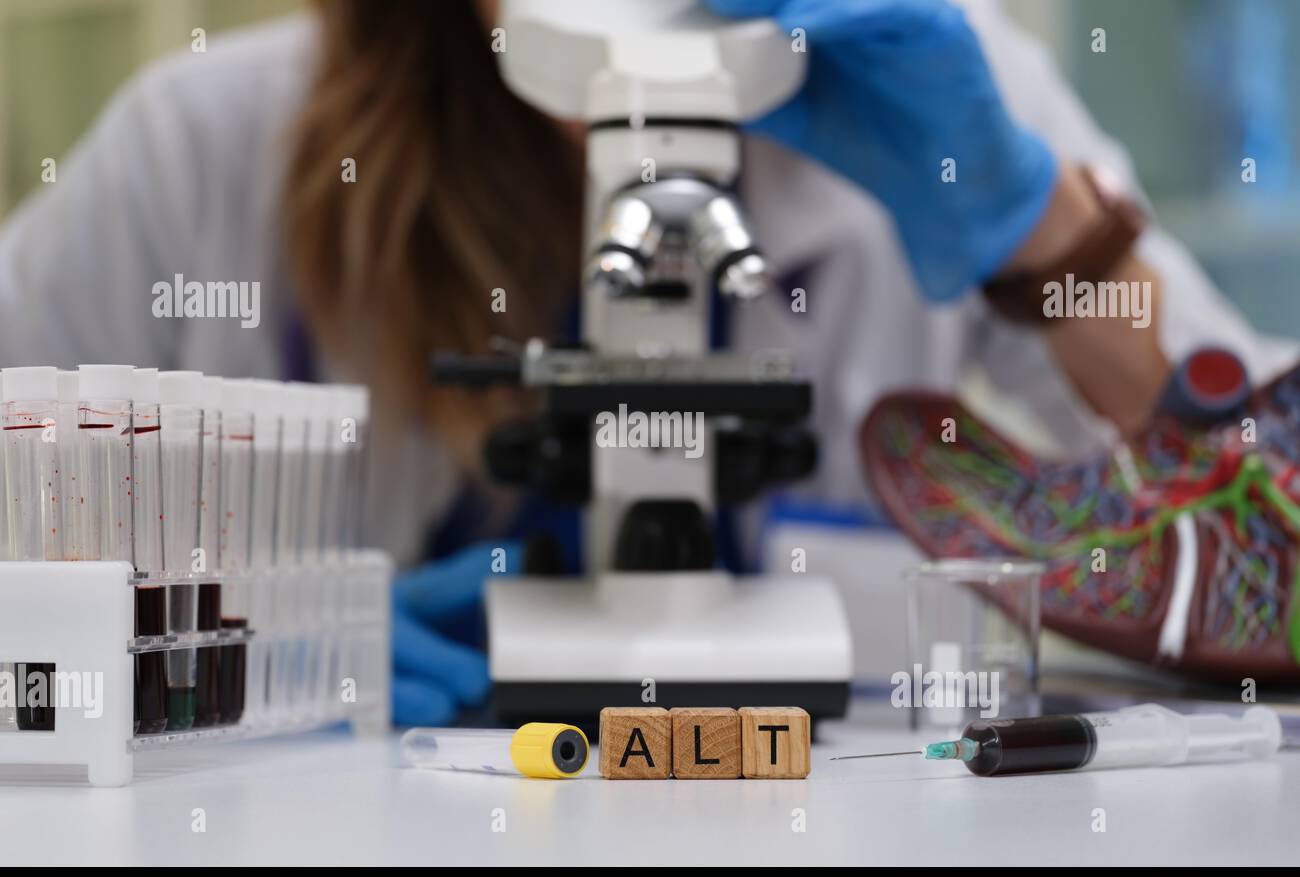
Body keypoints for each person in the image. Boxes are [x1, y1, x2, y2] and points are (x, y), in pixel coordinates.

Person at [0, 0, 1291, 724]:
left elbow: (1280, 552)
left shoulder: (943, 77)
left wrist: (1034, 228)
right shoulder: (206, 151)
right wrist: (217, 659)